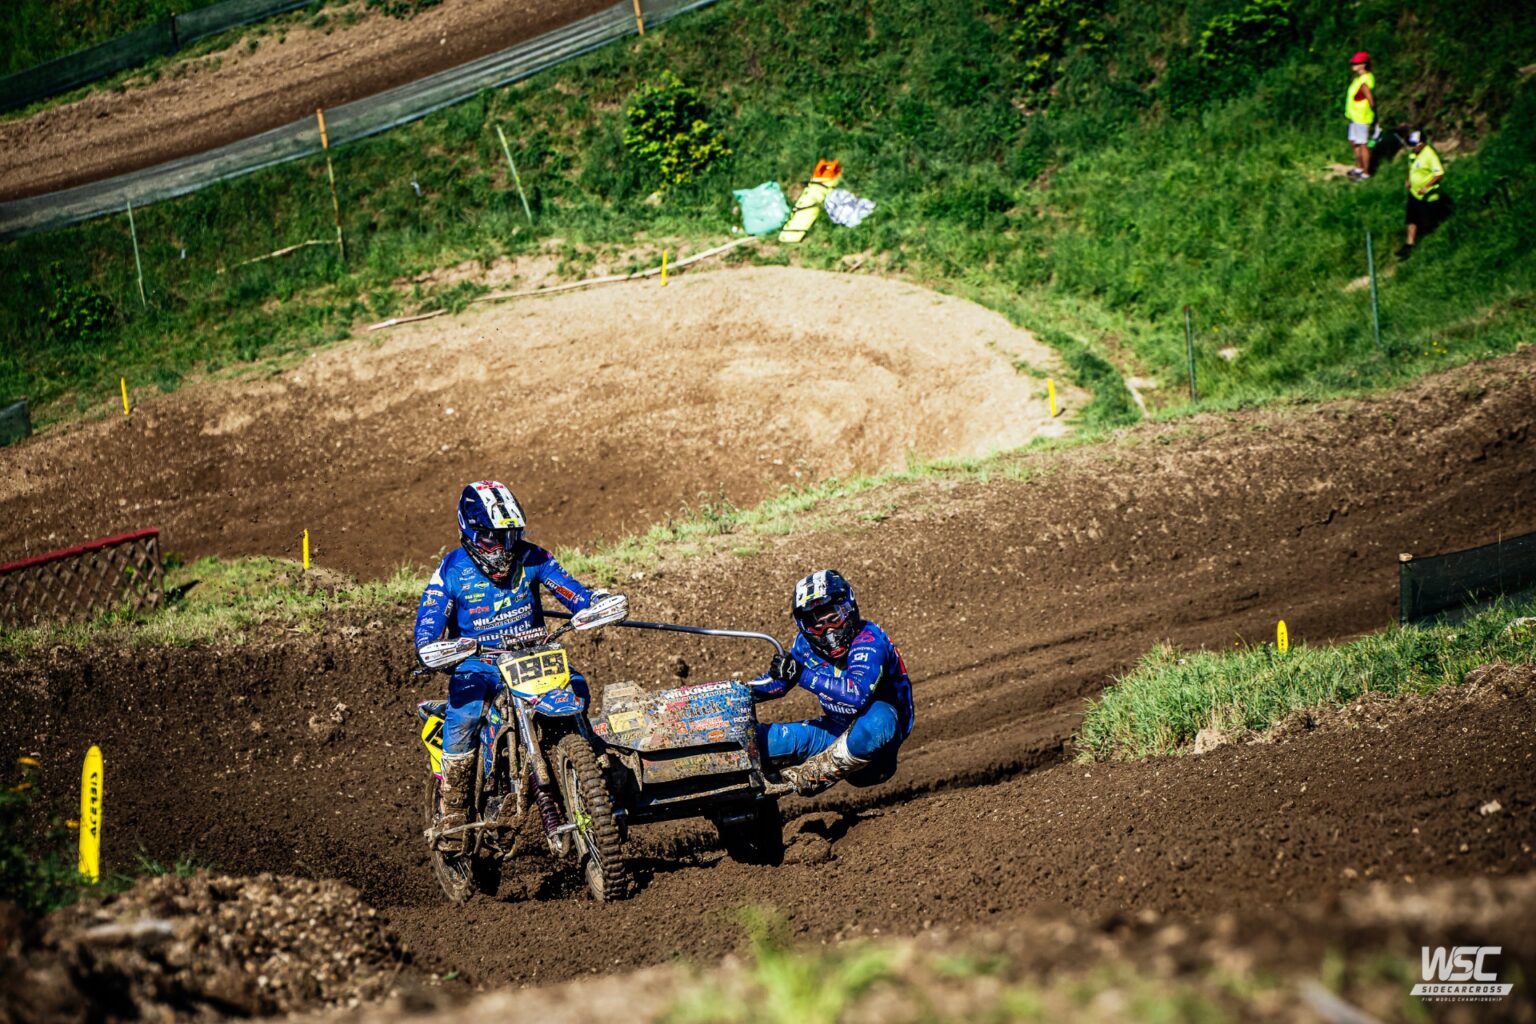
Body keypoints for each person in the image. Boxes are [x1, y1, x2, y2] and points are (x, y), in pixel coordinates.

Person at [413, 480, 625, 851]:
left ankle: (588, 764)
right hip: (479, 663)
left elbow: (573, 592)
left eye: (510, 535)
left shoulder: (532, 557)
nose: (502, 547)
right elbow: (427, 629)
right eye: (492, 538)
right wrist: (435, 646)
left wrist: (594, 603)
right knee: (464, 714)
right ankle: (455, 809)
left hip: (533, 655)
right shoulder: (450, 570)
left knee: (577, 685)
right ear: (471, 532)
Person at [753, 570, 914, 796]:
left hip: (878, 746)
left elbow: (856, 695)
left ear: (849, 610)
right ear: (804, 626)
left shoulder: (869, 641)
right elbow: (779, 683)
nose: (827, 631)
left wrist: (802, 675)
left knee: (879, 719)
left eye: (833, 618)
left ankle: (815, 773)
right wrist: (740, 694)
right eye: (816, 624)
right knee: (755, 740)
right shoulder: (804, 645)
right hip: (835, 732)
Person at [1397, 130, 1445, 259]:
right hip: (1414, 193)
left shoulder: (1429, 155)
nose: (1412, 147)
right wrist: (1408, 179)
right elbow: (1412, 168)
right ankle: (1409, 245)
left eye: (1414, 144)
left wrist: (1426, 187)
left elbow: (1439, 173)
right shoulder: (1413, 154)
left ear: (1422, 143)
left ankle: (1431, 245)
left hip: (1428, 196)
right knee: (1411, 219)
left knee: (1427, 222)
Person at [1345, 51, 1376, 180]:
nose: (1353, 64)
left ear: (1363, 65)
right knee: (1354, 142)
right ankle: (1359, 167)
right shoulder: (1358, 79)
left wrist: (1374, 118)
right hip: (1354, 116)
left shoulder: (1365, 80)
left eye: (1356, 62)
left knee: (1363, 144)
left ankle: (1366, 173)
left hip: (1362, 117)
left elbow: (1371, 100)